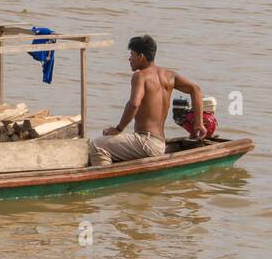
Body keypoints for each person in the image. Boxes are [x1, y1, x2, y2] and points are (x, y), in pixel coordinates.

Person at [88, 35, 205, 166]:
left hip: (146, 141)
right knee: (110, 143)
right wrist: (198, 123)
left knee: (97, 145)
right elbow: (196, 89)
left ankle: (105, 180)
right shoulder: (170, 75)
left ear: (141, 56)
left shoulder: (140, 75)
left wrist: (118, 129)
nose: (129, 59)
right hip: (159, 143)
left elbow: (134, 104)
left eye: (132, 54)